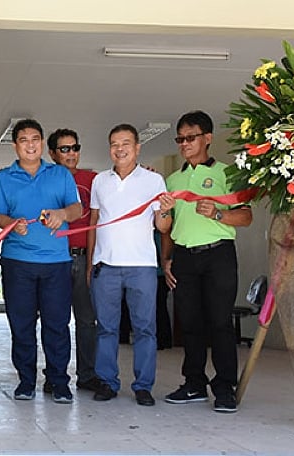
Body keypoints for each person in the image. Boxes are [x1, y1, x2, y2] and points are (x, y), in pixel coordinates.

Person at [161, 110, 252, 413]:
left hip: (218, 255)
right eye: (180, 139)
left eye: (191, 137)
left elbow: (246, 216)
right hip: (184, 257)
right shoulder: (173, 180)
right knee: (189, 323)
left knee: (220, 322)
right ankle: (194, 384)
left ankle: (224, 387)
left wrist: (218, 213)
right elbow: (168, 227)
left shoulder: (228, 174)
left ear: (208, 138)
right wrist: (167, 260)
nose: (184, 144)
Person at [0, 119, 82, 403]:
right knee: (22, 325)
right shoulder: (2, 178)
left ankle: (59, 382)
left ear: (41, 143)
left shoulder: (60, 174)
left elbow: (77, 208)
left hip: (57, 263)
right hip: (17, 262)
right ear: (15, 146)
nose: (30, 145)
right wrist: (11, 223)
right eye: (23, 140)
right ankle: (26, 381)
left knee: (57, 324)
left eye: (35, 139)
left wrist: (61, 214)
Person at [88, 123, 173, 407]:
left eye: (126, 143)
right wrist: (91, 262)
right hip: (106, 266)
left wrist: (165, 210)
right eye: (114, 144)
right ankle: (107, 382)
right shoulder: (100, 181)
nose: (119, 149)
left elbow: (163, 227)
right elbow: (94, 222)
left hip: (142, 267)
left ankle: (143, 386)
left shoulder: (154, 181)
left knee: (145, 328)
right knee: (106, 328)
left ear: (137, 147)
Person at [45, 128, 103, 393]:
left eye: (75, 147)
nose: (71, 153)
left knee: (86, 321)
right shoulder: (46, 179)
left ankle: (87, 375)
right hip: (54, 260)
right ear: (52, 153)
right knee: (54, 321)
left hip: (82, 258)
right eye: (65, 149)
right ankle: (54, 375)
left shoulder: (93, 179)